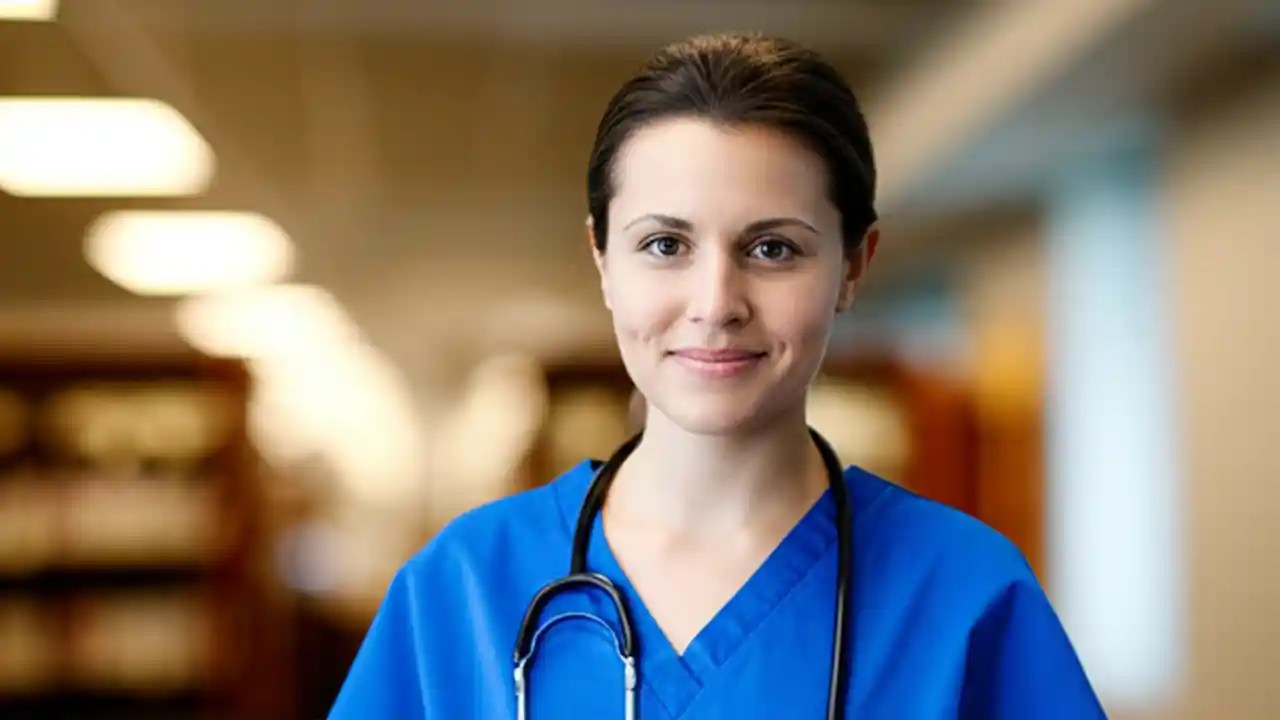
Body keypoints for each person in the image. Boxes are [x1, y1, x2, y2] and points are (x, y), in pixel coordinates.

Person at [328, 33, 1105, 719]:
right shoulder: (463, 588)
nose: (716, 304)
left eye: (772, 249)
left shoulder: (964, 594)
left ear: (853, 265)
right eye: (665, 246)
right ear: (603, 259)